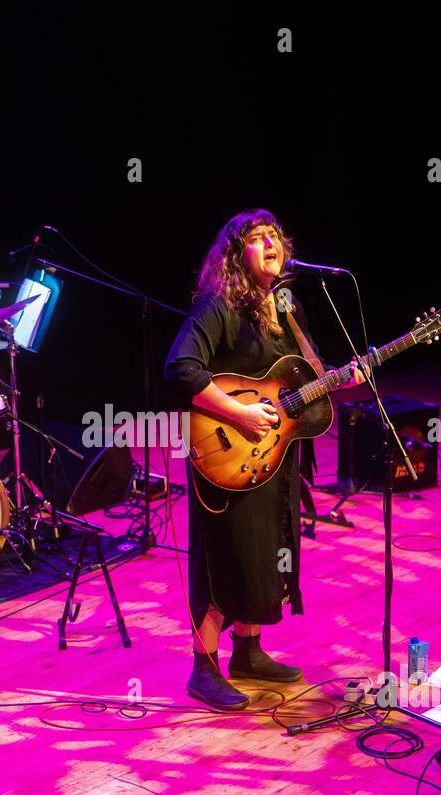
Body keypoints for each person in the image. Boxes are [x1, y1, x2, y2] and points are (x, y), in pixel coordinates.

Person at [164, 210, 362, 710]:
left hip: (272, 454)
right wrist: (241, 413)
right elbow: (180, 367)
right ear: (237, 253)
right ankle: (202, 667)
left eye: (275, 235)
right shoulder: (219, 303)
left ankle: (248, 653)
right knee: (223, 554)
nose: (271, 243)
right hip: (226, 449)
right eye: (257, 238)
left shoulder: (284, 306)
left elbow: (302, 377)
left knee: (265, 547)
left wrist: (343, 377)